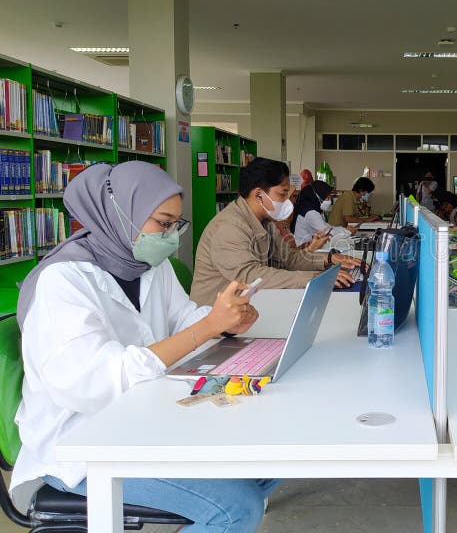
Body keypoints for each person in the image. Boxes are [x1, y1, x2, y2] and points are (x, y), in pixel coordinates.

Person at [11, 161, 278, 532]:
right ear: (119, 214)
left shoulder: (148, 264)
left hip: (147, 420)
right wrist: (206, 327)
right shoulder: (63, 281)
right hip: (84, 445)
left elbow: (183, 319)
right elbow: (94, 382)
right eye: (162, 223)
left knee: (272, 458)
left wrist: (226, 323)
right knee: (237, 507)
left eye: (176, 225)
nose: (172, 236)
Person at [191, 158, 359, 305]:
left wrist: (329, 259)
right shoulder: (229, 226)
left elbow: (289, 258)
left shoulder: (266, 221)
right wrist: (313, 278)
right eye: (282, 194)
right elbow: (250, 275)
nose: (288, 201)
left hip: (250, 306)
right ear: (258, 194)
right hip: (214, 321)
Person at [292, 180, 357, 247]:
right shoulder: (310, 212)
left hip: (309, 244)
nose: (329, 200)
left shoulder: (311, 208)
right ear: (318, 196)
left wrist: (345, 230)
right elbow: (326, 231)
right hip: (303, 248)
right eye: (327, 197)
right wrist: (347, 232)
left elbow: (327, 227)